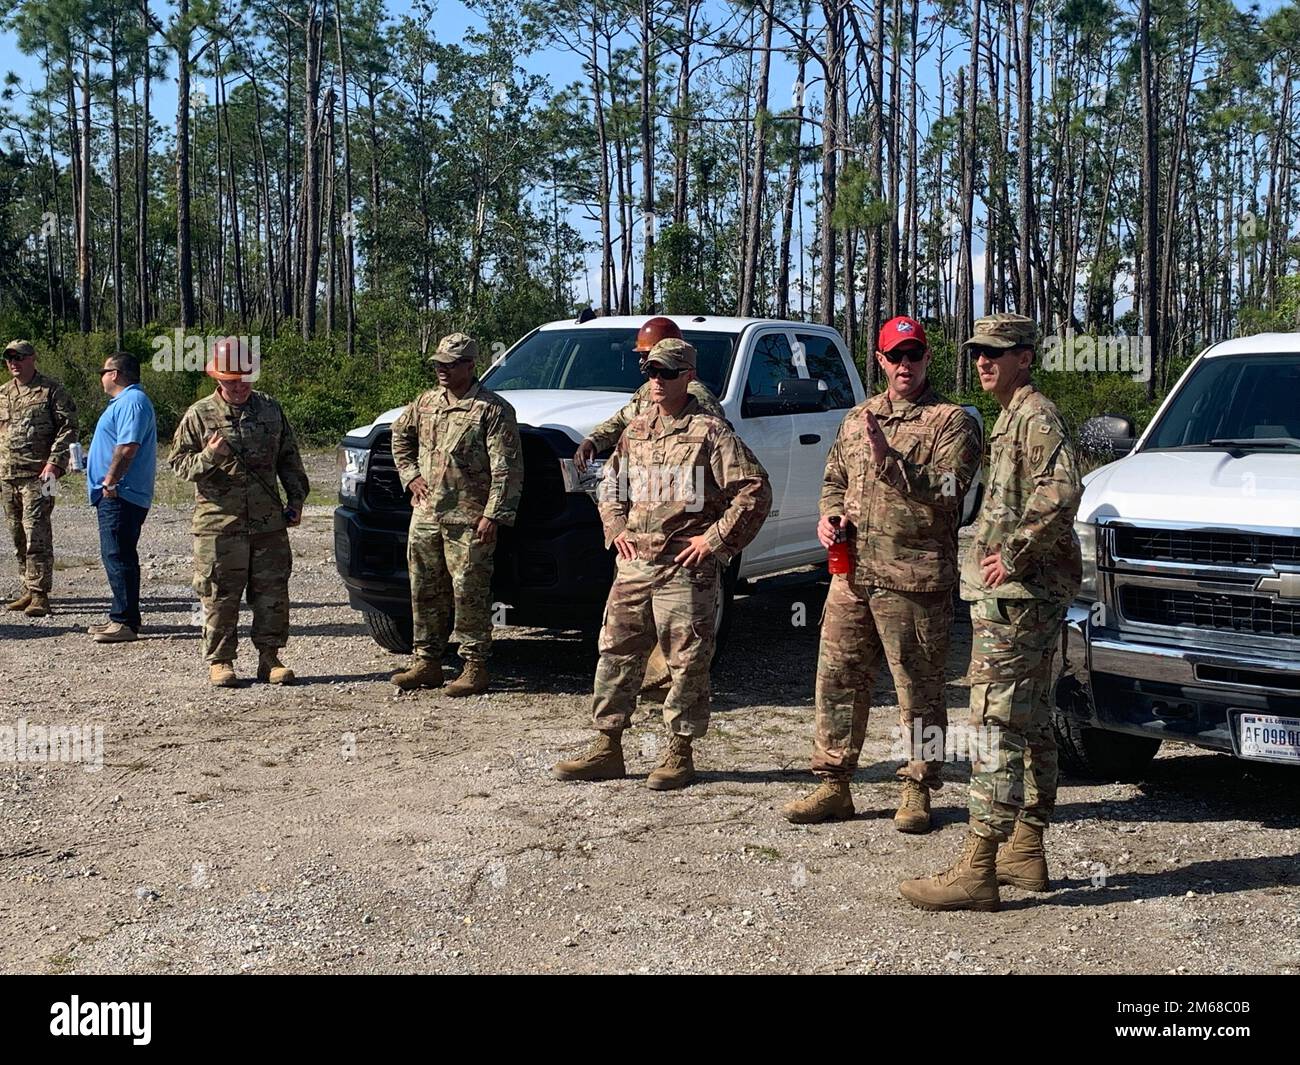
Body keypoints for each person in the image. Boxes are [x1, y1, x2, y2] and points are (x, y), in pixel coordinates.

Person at [901, 313, 1082, 912]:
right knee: (1028, 718)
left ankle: (978, 865)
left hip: (1020, 598)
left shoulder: (1036, 415)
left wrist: (1016, 554)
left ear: (1025, 356)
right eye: (978, 352)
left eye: (997, 353)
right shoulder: (1009, 418)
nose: (983, 361)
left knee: (993, 721)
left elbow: (1061, 491)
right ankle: (1026, 849)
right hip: (1016, 599)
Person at [782, 316, 982, 832]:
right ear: (880, 360)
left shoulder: (950, 421)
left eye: (914, 355)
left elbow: (950, 490)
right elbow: (834, 480)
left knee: (919, 688)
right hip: (852, 576)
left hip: (914, 581)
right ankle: (834, 783)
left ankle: (918, 787)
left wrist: (889, 459)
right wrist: (829, 518)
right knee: (837, 681)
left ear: (927, 360)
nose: (905, 366)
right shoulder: (857, 418)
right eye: (895, 356)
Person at [552, 337, 771, 790]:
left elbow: (753, 491)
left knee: (686, 660)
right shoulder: (637, 429)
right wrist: (615, 529)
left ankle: (679, 752)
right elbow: (610, 481)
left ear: (688, 376)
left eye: (666, 372)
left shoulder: (710, 432)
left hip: (684, 568)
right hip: (635, 564)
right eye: (651, 371)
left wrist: (714, 541)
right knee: (615, 652)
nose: (656, 380)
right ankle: (608, 745)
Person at [169, 338, 310, 687]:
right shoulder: (199, 414)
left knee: (272, 592)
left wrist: (296, 499)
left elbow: (289, 459)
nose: (239, 386)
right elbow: (177, 464)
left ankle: (270, 658)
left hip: (267, 523)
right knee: (219, 593)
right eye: (232, 380)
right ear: (217, 379)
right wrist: (208, 458)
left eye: (245, 378)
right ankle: (221, 661)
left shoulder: (270, 409)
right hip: (219, 524)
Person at [389, 333, 524, 695]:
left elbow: (507, 468)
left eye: (450, 365)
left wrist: (494, 514)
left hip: (469, 517)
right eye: (438, 364)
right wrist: (410, 476)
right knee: (424, 587)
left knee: (469, 590)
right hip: (427, 513)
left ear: (470, 365)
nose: (442, 370)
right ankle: (427, 662)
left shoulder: (492, 409)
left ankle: (474, 665)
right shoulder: (426, 402)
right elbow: (399, 435)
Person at [573, 317, 726, 471]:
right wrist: (593, 441)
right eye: (642, 357)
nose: (642, 362)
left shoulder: (698, 399)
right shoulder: (648, 391)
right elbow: (621, 421)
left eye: (647, 355)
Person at [1, 339, 78, 617]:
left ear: (33, 358)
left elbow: (69, 428)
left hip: (41, 475)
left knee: (38, 532)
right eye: (9, 358)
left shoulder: (51, 391)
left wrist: (55, 463)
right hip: (8, 476)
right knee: (17, 533)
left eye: (19, 357)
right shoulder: (3, 393)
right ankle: (27, 586)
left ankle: (40, 594)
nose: (13, 362)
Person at [86, 353, 158, 643]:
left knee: (119, 554)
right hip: (116, 492)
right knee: (114, 553)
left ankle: (125, 622)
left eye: (103, 370)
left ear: (115, 374)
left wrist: (110, 481)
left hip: (121, 493)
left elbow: (128, 446)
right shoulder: (124, 402)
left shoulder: (132, 401)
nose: (101, 376)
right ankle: (119, 615)